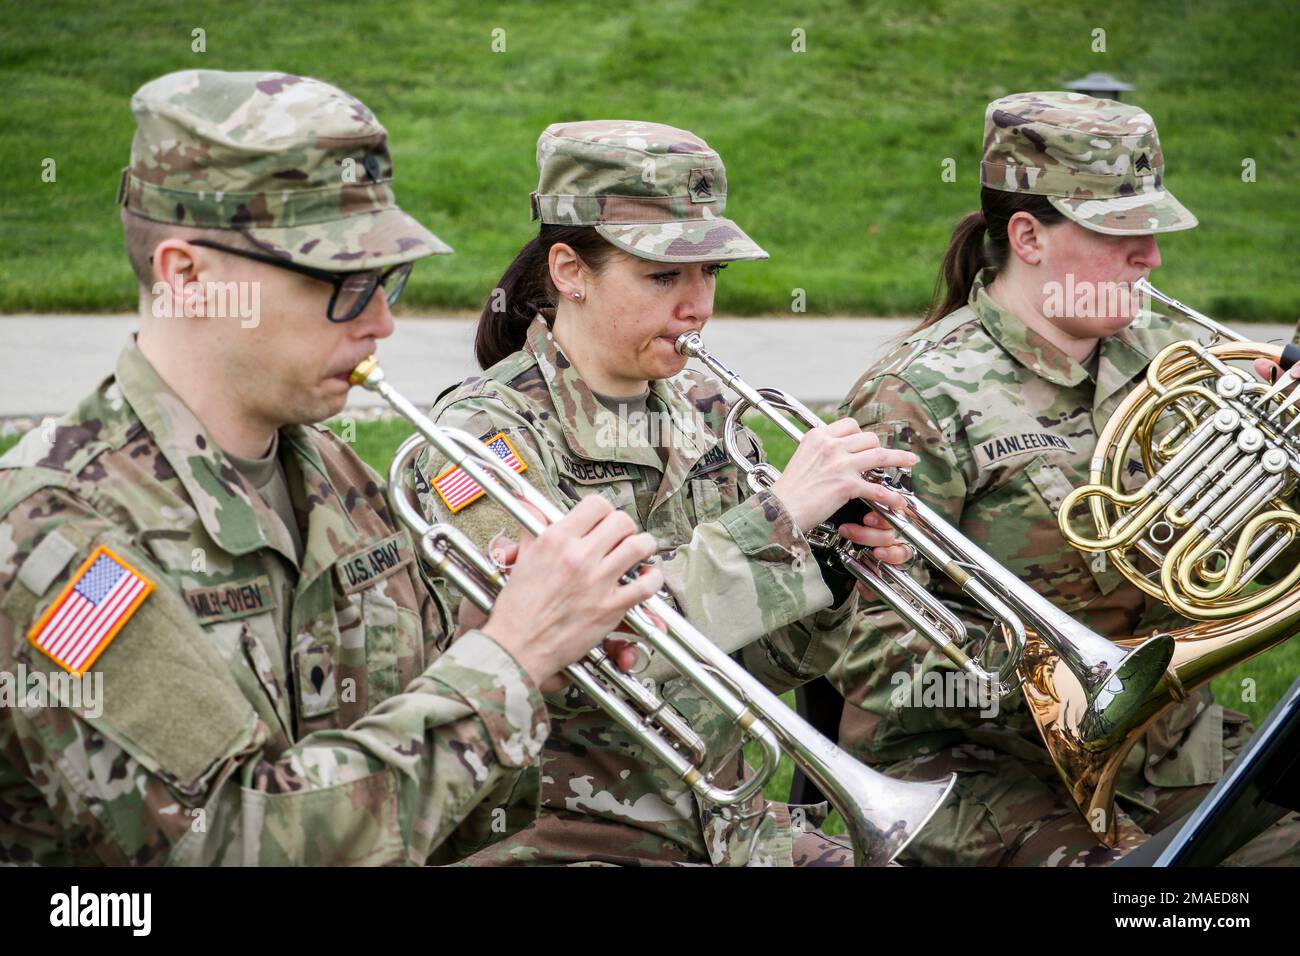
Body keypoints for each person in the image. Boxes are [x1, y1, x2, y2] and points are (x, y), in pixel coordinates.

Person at [0, 70, 658, 866]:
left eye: (388, 279)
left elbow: (433, 814)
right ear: (187, 278)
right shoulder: (58, 540)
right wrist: (505, 665)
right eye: (343, 284)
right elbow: (235, 843)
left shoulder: (338, 481)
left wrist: (535, 647)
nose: (383, 320)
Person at [415, 120, 917, 866]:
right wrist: (775, 520)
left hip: (731, 830)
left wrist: (828, 569)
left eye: (710, 273)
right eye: (663, 277)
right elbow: (582, 664)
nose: (698, 305)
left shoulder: (706, 409)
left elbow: (749, 666)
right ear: (569, 270)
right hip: (566, 839)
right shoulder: (480, 443)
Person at [828, 90, 1300, 865]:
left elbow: (1258, 556)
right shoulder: (915, 398)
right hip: (983, 771)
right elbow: (856, 646)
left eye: (1152, 229)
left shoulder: (1178, 354)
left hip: (1174, 748)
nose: (1150, 257)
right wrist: (1059, 685)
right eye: (1122, 232)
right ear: (1028, 236)